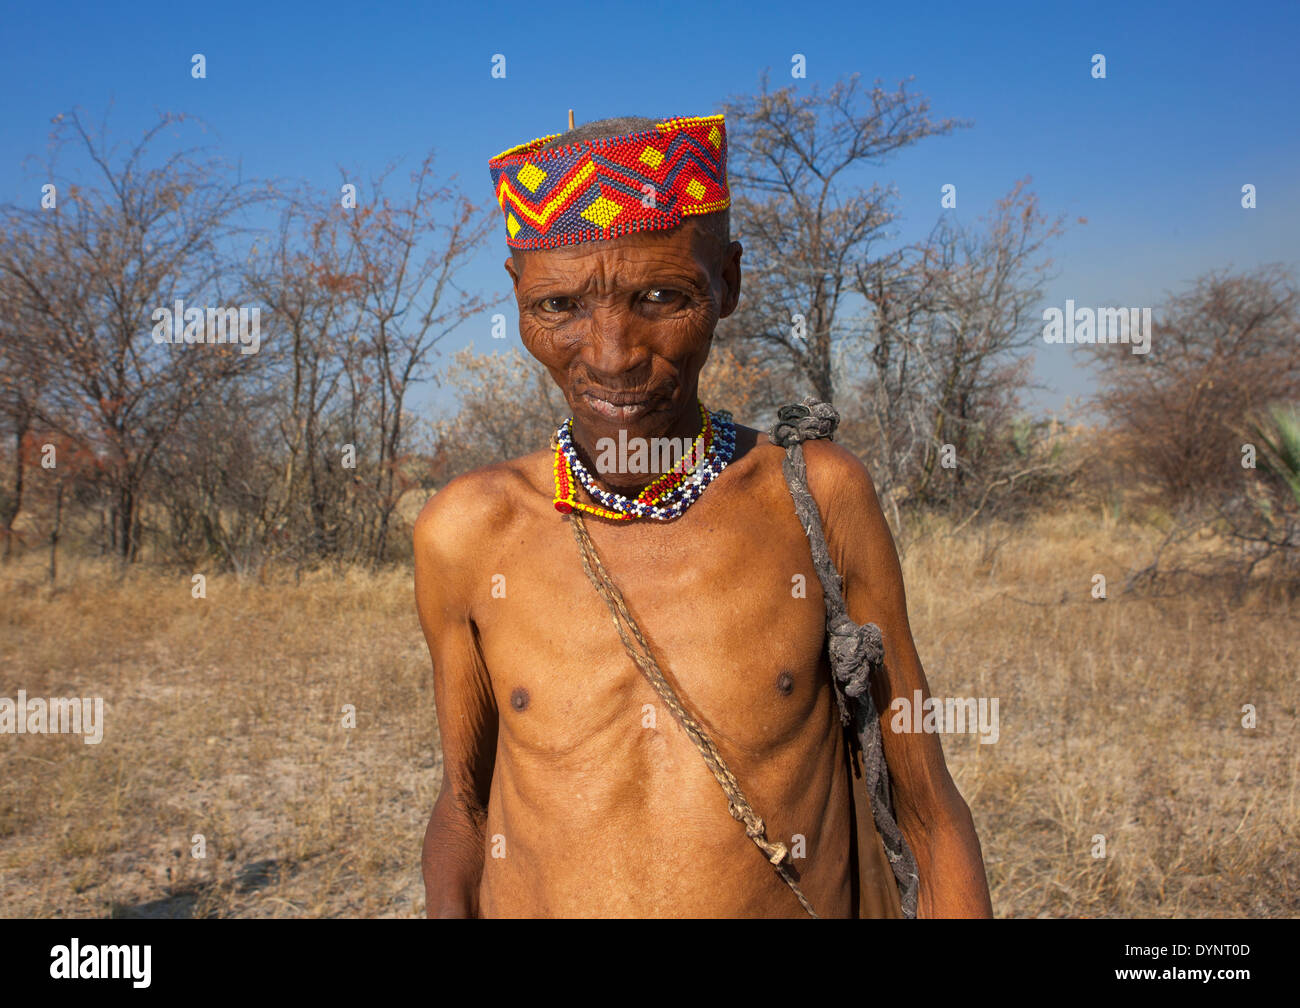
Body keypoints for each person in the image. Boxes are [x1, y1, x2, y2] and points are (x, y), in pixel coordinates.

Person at [414, 113, 992, 918]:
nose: (613, 352)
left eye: (661, 296)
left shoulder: (814, 498)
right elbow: (466, 811)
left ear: (729, 282)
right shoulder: (468, 531)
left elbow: (928, 809)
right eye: (561, 306)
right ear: (518, 295)